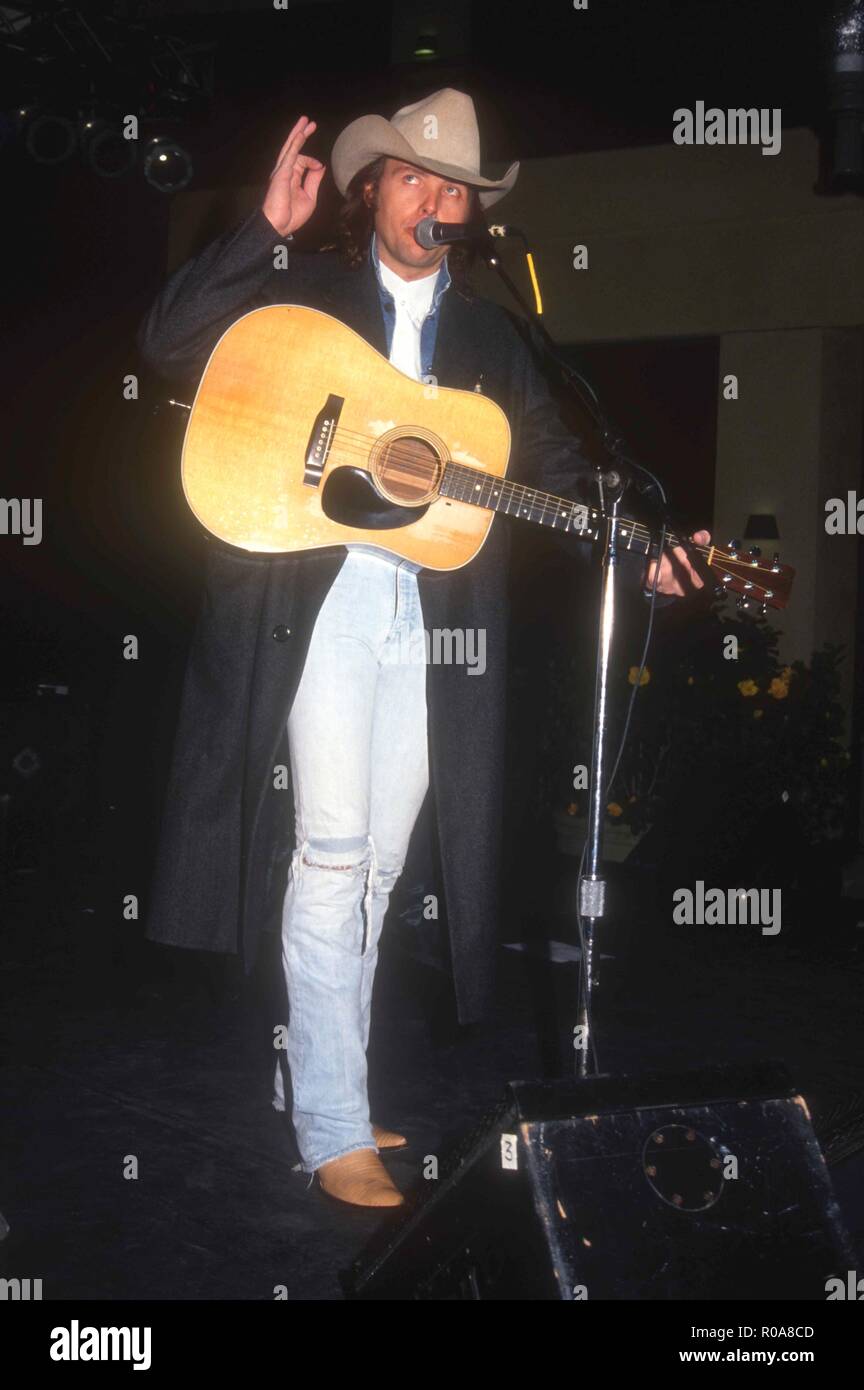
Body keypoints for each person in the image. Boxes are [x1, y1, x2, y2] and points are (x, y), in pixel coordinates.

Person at [137, 89, 709, 1208]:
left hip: (434, 629)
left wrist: (641, 549)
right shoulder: (301, 288)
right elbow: (166, 349)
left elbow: (553, 468)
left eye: (455, 185)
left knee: (386, 871)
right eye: (414, 175)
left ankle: (323, 1076)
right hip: (320, 598)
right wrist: (263, 235)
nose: (436, 198)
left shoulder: (496, 333)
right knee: (334, 856)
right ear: (375, 189)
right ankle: (332, 1124)